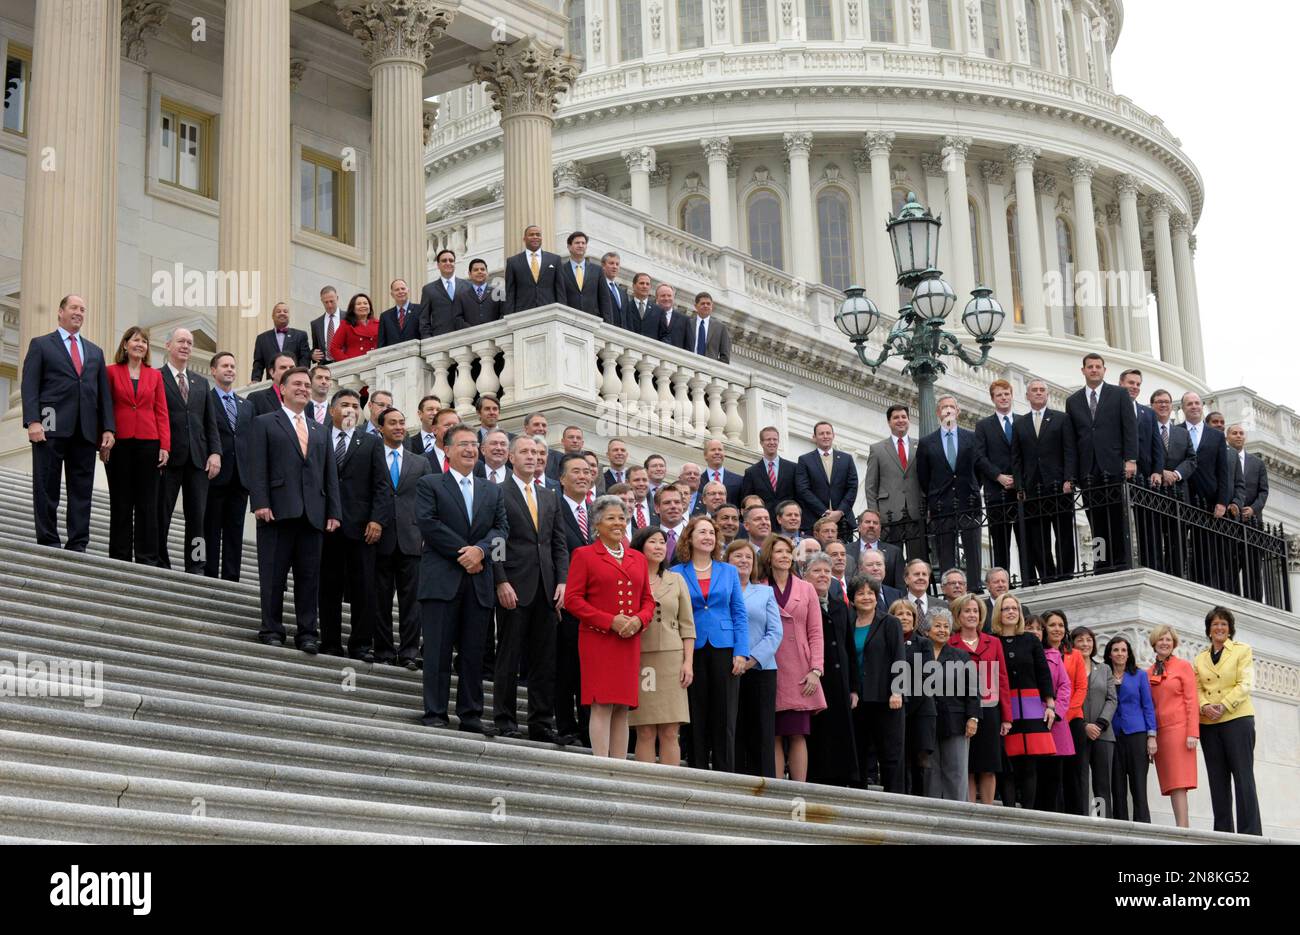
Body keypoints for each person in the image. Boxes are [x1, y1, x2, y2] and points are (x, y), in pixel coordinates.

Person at [416, 423, 507, 734]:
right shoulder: (430, 484)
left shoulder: (492, 490)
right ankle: (435, 711)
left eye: (473, 444)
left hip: (479, 581)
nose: (470, 449)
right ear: (447, 450)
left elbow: (501, 532)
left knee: (473, 652)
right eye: (463, 444)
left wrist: (480, 552)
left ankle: (471, 715)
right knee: (438, 650)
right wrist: (464, 553)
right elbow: (428, 524)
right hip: (441, 580)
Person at [246, 367, 340, 652]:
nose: (303, 388)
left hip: (313, 514)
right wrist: (260, 502)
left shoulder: (320, 430)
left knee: (309, 578)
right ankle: (271, 628)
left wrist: (334, 511)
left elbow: (329, 474)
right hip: (277, 511)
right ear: (282, 389)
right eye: (296, 384)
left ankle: (307, 633)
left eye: (306, 385)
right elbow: (257, 465)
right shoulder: (264, 422)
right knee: (273, 575)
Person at [564, 496, 656, 758]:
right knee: (602, 704)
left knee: (622, 707)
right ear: (597, 524)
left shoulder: (637, 558)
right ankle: (601, 764)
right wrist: (609, 621)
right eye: (611, 518)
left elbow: (648, 599)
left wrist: (639, 619)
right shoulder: (584, 555)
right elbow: (572, 600)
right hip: (599, 639)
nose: (618, 523)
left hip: (629, 639)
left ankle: (619, 765)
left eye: (622, 518)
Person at [493, 436, 570, 743]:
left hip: (547, 589)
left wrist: (562, 580)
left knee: (544, 660)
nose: (532, 457)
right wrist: (500, 580)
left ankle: (541, 723)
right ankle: (504, 718)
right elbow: (496, 540)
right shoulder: (498, 492)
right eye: (525, 451)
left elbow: (558, 544)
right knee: (509, 655)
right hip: (513, 585)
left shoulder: (550, 496)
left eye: (538, 453)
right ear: (511, 457)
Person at [319, 388, 392, 661]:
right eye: (345, 405)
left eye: (355, 405)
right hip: (327, 526)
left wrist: (377, 520)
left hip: (362, 528)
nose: (351, 409)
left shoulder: (371, 442)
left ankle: (361, 643)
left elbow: (382, 485)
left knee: (364, 587)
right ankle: (330, 641)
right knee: (328, 587)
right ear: (332, 410)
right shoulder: (319, 436)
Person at [673, 515, 749, 771]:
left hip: (724, 647)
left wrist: (741, 651)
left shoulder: (728, 571)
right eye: (702, 532)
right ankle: (696, 767)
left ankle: (724, 772)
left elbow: (739, 612)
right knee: (695, 712)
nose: (707, 537)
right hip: (690, 649)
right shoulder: (676, 572)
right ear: (690, 538)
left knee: (724, 714)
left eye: (711, 533)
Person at [102, 326, 169, 565]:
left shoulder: (155, 376)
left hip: (149, 443)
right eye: (136, 340)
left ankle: (146, 557)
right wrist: (104, 436)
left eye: (144, 342)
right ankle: (119, 556)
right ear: (125, 344)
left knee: (147, 502)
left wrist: (165, 445)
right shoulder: (110, 372)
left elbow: (161, 411)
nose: (140, 345)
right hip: (119, 443)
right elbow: (105, 406)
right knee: (120, 500)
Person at [629, 526, 695, 764]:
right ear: (640, 546)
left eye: (662, 543)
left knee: (670, 730)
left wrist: (688, 663)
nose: (659, 547)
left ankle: (671, 789)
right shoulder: (630, 578)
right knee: (645, 729)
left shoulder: (676, 579)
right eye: (653, 542)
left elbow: (687, 625)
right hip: (640, 659)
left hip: (672, 659)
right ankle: (645, 790)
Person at [1065, 353, 1137, 573]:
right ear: (1083, 371)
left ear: (1104, 370)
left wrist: (1130, 459)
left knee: (1116, 517)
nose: (1094, 370)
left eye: (1098, 366)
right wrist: (1071, 475)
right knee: (1094, 520)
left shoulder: (1119, 395)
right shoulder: (1073, 401)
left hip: (1114, 466)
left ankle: (1121, 562)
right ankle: (1101, 562)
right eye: (1090, 367)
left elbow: (1129, 428)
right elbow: (1071, 440)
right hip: (1088, 470)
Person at [157, 327, 221, 574]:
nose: (185, 346)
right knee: (163, 512)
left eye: (190, 342)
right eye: (181, 341)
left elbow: (210, 423)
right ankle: (160, 559)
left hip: (198, 459)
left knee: (198, 518)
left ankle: (197, 564)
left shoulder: (201, 383)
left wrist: (215, 452)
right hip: (168, 457)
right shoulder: (156, 377)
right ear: (168, 345)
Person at [762, 534, 824, 782]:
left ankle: (800, 788)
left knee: (798, 733)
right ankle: (777, 790)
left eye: (788, 552)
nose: (785, 556)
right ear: (769, 555)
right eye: (779, 552)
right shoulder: (759, 585)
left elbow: (816, 632)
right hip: (769, 666)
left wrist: (816, 670)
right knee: (774, 733)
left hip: (800, 668)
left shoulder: (806, 588)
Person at [1194, 606, 1262, 835]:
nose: (1219, 628)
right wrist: (1204, 706)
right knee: (1217, 780)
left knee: (1243, 777)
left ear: (1230, 628)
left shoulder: (1243, 651)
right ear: (1209, 630)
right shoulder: (1200, 658)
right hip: (1209, 724)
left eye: (1224, 624)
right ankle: (1222, 832)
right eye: (1215, 624)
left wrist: (1224, 705)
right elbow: (1196, 688)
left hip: (1238, 718)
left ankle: (1250, 833)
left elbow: (1246, 683)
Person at [373, 407, 431, 669]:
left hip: (412, 538)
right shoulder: (371, 457)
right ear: (380, 428)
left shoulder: (419, 462)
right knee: (380, 599)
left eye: (401, 422)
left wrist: (425, 534)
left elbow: (428, 502)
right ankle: (384, 650)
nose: (398, 427)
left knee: (412, 602)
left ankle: (409, 652)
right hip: (379, 538)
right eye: (392, 423)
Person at [992, 594, 1056, 809]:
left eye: (1014, 608)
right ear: (998, 613)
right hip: (1004, 704)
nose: (1011, 612)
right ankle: (1010, 810)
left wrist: (1050, 704)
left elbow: (1043, 673)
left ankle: (1028, 810)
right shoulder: (992, 640)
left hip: (1030, 704)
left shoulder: (1030, 639)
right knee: (1008, 762)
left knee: (1029, 762)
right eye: (1005, 608)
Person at [802, 551, 859, 787]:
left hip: (841, 680)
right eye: (817, 571)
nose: (823, 575)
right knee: (819, 731)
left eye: (827, 571)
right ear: (806, 575)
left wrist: (854, 688)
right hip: (815, 679)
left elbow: (849, 647)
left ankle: (843, 778)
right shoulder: (803, 603)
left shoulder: (839, 607)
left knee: (841, 731)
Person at [1011, 378, 1076, 584]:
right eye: (1034, 390)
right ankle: (1048, 575)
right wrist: (1020, 486)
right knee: (1039, 536)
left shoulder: (1061, 419)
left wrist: (1069, 479)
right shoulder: (1019, 423)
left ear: (1047, 395)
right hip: (1033, 488)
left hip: (1059, 486)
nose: (1038, 393)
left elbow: (1069, 451)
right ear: (1027, 395)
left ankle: (1066, 572)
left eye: (1041, 390)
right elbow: (1016, 457)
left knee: (1063, 532)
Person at [726, 540, 782, 778]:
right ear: (727, 561)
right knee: (734, 729)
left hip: (761, 670)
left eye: (748, 557)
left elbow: (775, 632)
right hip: (729, 668)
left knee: (762, 731)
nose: (744, 561)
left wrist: (752, 659)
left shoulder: (765, 592)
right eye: (738, 556)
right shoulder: (721, 590)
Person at [948, 594, 1011, 804]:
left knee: (989, 766)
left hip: (990, 710)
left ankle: (988, 812)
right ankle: (970, 813)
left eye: (975, 611)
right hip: (961, 711)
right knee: (968, 766)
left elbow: (1002, 678)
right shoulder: (951, 643)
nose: (972, 615)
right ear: (958, 615)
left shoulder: (993, 642)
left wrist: (1006, 717)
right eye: (967, 611)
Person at [917, 395, 982, 589]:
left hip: (968, 500)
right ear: (938, 413)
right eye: (944, 407)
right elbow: (923, 475)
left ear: (958, 412)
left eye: (951, 407)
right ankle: (949, 588)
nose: (948, 410)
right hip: (941, 503)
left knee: (972, 546)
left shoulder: (971, 437)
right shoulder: (927, 442)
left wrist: (974, 488)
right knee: (945, 549)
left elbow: (979, 467)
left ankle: (975, 585)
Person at [849, 574, 905, 792]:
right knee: (859, 751)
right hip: (858, 698)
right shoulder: (848, 622)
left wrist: (897, 691)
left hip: (886, 698)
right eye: (860, 593)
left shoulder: (889, 622)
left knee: (890, 752)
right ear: (852, 599)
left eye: (870, 593)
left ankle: (895, 801)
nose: (866, 597)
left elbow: (898, 657)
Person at [554, 453, 595, 746]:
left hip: (596, 606)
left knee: (589, 668)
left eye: (587, 472)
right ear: (562, 478)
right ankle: (566, 726)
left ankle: (588, 727)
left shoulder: (598, 512)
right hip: (564, 601)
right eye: (576, 472)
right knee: (565, 666)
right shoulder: (551, 506)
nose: (583, 476)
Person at [1181, 391, 1241, 590]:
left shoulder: (1215, 436)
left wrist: (1222, 501)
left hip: (1209, 499)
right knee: (1180, 543)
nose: (1194, 406)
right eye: (1189, 403)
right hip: (1182, 496)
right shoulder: (1176, 430)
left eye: (1197, 403)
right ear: (1183, 408)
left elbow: (1223, 472)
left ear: (1202, 407)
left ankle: (1209, 586)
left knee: (1208, 547)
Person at [921, 608, 980, 801]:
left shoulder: (961, 656)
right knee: (931, 771)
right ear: (927, 630)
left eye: (946, 626)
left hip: (956, 720)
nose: (942, 630)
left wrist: (973, 718)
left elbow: (972, 689)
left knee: (956, 770)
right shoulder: (919, 653)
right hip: (927, 720)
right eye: (937, 625)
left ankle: (959, 815)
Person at [205, 351, 253, 580]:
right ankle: (210, 572)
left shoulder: (246, 406)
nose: (230, 370)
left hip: (240, 477)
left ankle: (232, 577)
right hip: (215, 474)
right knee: (211, 528)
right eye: (225, 366)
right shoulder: (206, 399)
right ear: (214, 370)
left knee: (235, 531)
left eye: (233, 366)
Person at [1147, 624, 1199, 828]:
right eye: (1161, 639)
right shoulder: (1148, 671)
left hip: (1180, 731)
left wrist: (1192, 733)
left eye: (1168, 639)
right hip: (1161, 733)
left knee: (1179, 782)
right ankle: (1181, 826)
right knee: (1171, 783)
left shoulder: (1184, 666)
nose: (1164, 643)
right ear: (1154, 642)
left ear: (1174, 643)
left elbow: (1191, 700)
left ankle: (1183, 829)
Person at [1025, 614, 1074, 813]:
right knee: (1031, 773)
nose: (1035, 632)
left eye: (1038, 628)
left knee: (1053, 776)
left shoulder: (1053, 654)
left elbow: (1064, 686)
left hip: (1054, 722)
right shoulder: (1019, 653)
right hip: (1030, 720)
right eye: (1030, 628)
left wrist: (1056, 711)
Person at [1106, 634, 1157, 823]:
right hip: (1112, 736)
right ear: (1109, 654)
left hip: (1137, 735)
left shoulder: (1140, 675)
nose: (1120, 654)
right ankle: (1119, 830)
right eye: (1116, 650)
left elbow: (1148, 706)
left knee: (1138, 787)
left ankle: (1144, 830)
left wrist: (1152, 736)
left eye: (1123, 650)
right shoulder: (1104, 674)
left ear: (1128, 654)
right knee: (1117, 787)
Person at [864, 404, 924, 560]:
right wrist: (874, 515)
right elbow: (871, 486)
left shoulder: (920, 446)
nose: (900, 420)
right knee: (891, 559)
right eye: (896, 417)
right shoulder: (877, 449)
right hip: (888, 513)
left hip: (915, 511)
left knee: (917, 559)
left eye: (904, 417)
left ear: (909, 420)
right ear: (889, 422)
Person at [973, 379, 1020, 576]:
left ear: (1011, 396)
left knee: (1026, 540)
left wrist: (1018, 478)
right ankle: (1003, 581)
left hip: (1020, 491)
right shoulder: (984, 426)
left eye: (1006, 394)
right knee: (1000, 543)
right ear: (993, 399)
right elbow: (979, 456)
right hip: (996, 491)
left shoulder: (1023, 421)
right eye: (999, 395)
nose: (1003, 398)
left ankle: (1029, 580)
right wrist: (998, 476)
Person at [1042, 610, 1087, 813]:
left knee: (1073, 772)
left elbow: (1079, 688)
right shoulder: (1038, 651)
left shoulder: (1075, 655)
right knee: (1051, 772)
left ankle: (1076, 816)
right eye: (1052, 625)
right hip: (1046, 719)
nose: (1057, 629)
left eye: (1061, 625)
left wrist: (1063, 714)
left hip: (1071, 720)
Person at [891, 598, 937, 795]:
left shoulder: (924, 643)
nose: (904, 617)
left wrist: (906, 701)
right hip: (895, 709)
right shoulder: (888, 642)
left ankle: (923, 803)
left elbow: (927, 675)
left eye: (908, 613)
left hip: (921, 709)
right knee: (900, 757)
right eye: (899, 614)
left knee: (921, 757)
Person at [1150, 388, 1197, 578]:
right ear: (1152, 405)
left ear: (1172, 406)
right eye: (1159, 402)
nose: (1163, 405)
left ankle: (1176, 576)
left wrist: (1176, 474)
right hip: (1153, 493)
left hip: (1179, 494)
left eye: (1167, 402)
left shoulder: (1182, 433)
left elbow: (1192, 459)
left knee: (1177, 541)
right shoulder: (1145, 429)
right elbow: (1143, 457)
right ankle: (1157, 575)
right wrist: (1161, 472)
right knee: (1153, 539)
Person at [1071, 625, 1116, 818]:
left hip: (1103, 734)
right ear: (1072, 643)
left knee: (1102, 783)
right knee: (1080, 781)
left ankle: (1102, 822)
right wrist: (1083, 725)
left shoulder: (1105, 668)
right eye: (1080, 640)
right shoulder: (1068, 667)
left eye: (1088, 640)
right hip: (1078, 731)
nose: (1085, 644)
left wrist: (1100, 724)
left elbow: (1112, 699)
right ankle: (1082, 822)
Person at [795, 420, 858, 542]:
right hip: (814, 521)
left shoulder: (846, 459)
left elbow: (852, 487)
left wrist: (840, 512)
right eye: (821, 433)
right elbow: (803, 489)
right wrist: (824, 512)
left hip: (843, 522)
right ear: (814, 437)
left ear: (833, 436)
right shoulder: (805, 460)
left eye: (828, 433)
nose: (825, 436)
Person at [504, 225, 564, 315]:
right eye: (531, 235)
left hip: (550, 311)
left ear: (541, 238)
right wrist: (509, 315)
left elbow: (560, 289)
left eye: (538, 235)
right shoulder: (513, 262)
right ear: (524, 239)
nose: (535, 237)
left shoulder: (555, 259)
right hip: (522, 312)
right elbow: (510, 292)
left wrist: (562, 311)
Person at [741, 426, 797, 522]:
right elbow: (747, 501)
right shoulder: (751, 472)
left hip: (788, 521)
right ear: (761, 443)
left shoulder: (793, 468)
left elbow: (798, 496)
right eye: (768, 439)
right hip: (764, 522)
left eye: (775, 439)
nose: (772, 442)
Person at [250, 301, 309, 381]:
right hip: (271, 383)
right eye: (278, 311)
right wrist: (255, 380)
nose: (282, 313)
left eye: (285, 311)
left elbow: (304, 359)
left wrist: (301, 378)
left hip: (294, 382)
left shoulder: (301, 335)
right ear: (273, 316)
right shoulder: (262, 338)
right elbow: (258, 363)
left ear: (289, 315)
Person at [845, 510, 904, 588]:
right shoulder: (846, 551)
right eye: (868, 522)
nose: (871, 525)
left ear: (880, 528)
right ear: (859, 527)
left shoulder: (894, 552)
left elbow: (900, 586)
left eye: (875, 523)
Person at [558, 230, 609, 320]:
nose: (581, 245)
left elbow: (604, 299)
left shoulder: (597, 270)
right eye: (577, 243)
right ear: (569, 247)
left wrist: (608, 325)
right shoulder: (561, 270)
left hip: (593, 320)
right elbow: (560, 297)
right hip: (569, 320)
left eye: (583, 243)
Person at [420, 249, 470, 336]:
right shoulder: (428, 289)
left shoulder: (468, 286)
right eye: (444, 261)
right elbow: (424, 320)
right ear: (438, 265)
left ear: (454, 264)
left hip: (466, 337)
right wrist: (428, 340)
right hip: (441, 340)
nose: (448, 263)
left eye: (451, 260)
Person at [330, 292, 380, 362]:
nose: (363, 306)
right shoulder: (346, 324)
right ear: (353, 308)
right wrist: (347, 362)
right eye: (359, 304)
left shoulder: (378, 323)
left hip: (374, 362)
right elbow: (334, 348)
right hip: (355, 365)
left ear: (370, 307)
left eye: (365, 303)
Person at [641, 282, 691, 349]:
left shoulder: (685, 320)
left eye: (669, 296)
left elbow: (688, 345)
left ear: (673, 298)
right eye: (663, 296)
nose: (666, 298)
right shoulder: (648, 315)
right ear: (657, 298)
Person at [457, 257, 504, 326]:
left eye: (482, 269)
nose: (480, 271)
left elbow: (504, 313)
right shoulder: (461, 297)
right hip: (471, 335)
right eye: (476, 270)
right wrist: (471, 331)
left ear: (487, 273)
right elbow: (458, 319)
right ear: (470, 274)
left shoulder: (498, 292)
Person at [687, 292, 731, 363]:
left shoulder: (721, 328)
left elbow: (725, 357)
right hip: (689, 365)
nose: (706, 306)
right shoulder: (688, 324)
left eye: (708, 304)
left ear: (712, 306)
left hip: (709, 370)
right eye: (702, 303)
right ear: (695, 306)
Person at [377, 278, 421, 347]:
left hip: (416, 354)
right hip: (393, 356)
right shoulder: (385, 316)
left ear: (408, 290)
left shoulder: (420, 309)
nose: (400, 291)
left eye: (403, 288)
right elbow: (381, 343)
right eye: (397, 290)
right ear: (392, 294)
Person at [700, 438, 742, 505]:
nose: (717, 452)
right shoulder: (698, 481)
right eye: (713, 450)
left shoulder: (739, 480)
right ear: (705, 455)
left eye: (720, 450)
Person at [597, 251, 630, 330]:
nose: (615, 266)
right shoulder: (597, 286)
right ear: (603, 266)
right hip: (604, 330)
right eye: (611, 263)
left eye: (617, 264)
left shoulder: (622, 293)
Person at [310, 285, 342, 365]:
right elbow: (316, 347)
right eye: (326, 302)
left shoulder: (349, 317)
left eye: (332, 301)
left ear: (337, 298)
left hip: (344, 363)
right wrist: (312, 355)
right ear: (322, 301)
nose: (329, 305)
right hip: (324, 366)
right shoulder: (316, 324)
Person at [656, 484, 688, 554]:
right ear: (657, 508)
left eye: (677, 502)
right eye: (667, 503)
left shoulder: (692, 536)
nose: (673, 506)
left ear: (682, 506)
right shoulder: (647, 537)